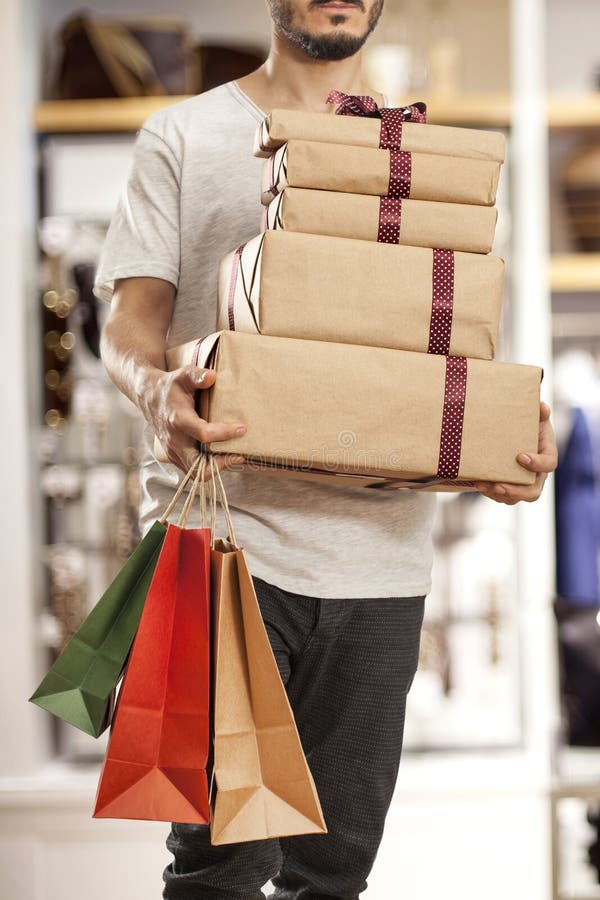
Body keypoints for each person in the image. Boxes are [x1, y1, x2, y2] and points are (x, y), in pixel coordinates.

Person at [94, 1, 559, 897]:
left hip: (381, 568)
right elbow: (130, 325)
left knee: (334, 874)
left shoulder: (419, 158)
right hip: (224, 547)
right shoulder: (183, 137)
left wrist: (504, 432)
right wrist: (154, 390)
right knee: (218, 868)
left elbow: (452, 349)